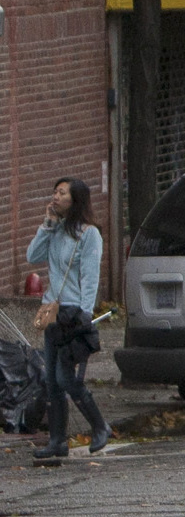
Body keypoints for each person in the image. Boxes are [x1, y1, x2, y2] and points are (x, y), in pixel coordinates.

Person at [26, 179, 107, 461]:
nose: (55, 197)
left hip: (74, 315)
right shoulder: (57, 230)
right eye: (55, 192)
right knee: (52, 380)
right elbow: (32, 256)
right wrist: (46, 225)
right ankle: (58, 441)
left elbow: (90, 277)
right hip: (53, 312)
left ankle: (100, 426)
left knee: (64, 376)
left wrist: (86, 314)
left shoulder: (89, 235)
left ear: (76, 200)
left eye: (62, 193)